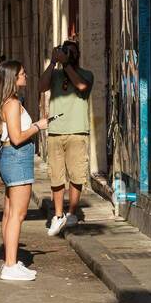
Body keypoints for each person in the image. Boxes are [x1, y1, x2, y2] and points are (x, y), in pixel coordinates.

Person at [0, 59, 48, 282]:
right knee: (18, 215)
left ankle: (10, 260)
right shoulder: (12, 104)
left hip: (12, 157)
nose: (25, 76)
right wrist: (37, 126)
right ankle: (10, 265)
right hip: (17, 157)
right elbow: (17, 137)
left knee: (10, 213)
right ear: (13, 78)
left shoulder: (8, 101)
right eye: (22, 73)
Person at [39, 40, 94, 235]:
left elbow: (80, 86)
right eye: (65, 51)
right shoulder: (55, 74)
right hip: (56, 130)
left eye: (71, 52)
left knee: (76, 174)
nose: (67, 54)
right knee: (56, 176)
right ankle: (58, 214)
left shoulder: (86, 74)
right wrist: (53, 63)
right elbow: (41, 86)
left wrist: (66, 64)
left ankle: (72, 212)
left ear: (77, 55)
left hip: (77, 131)